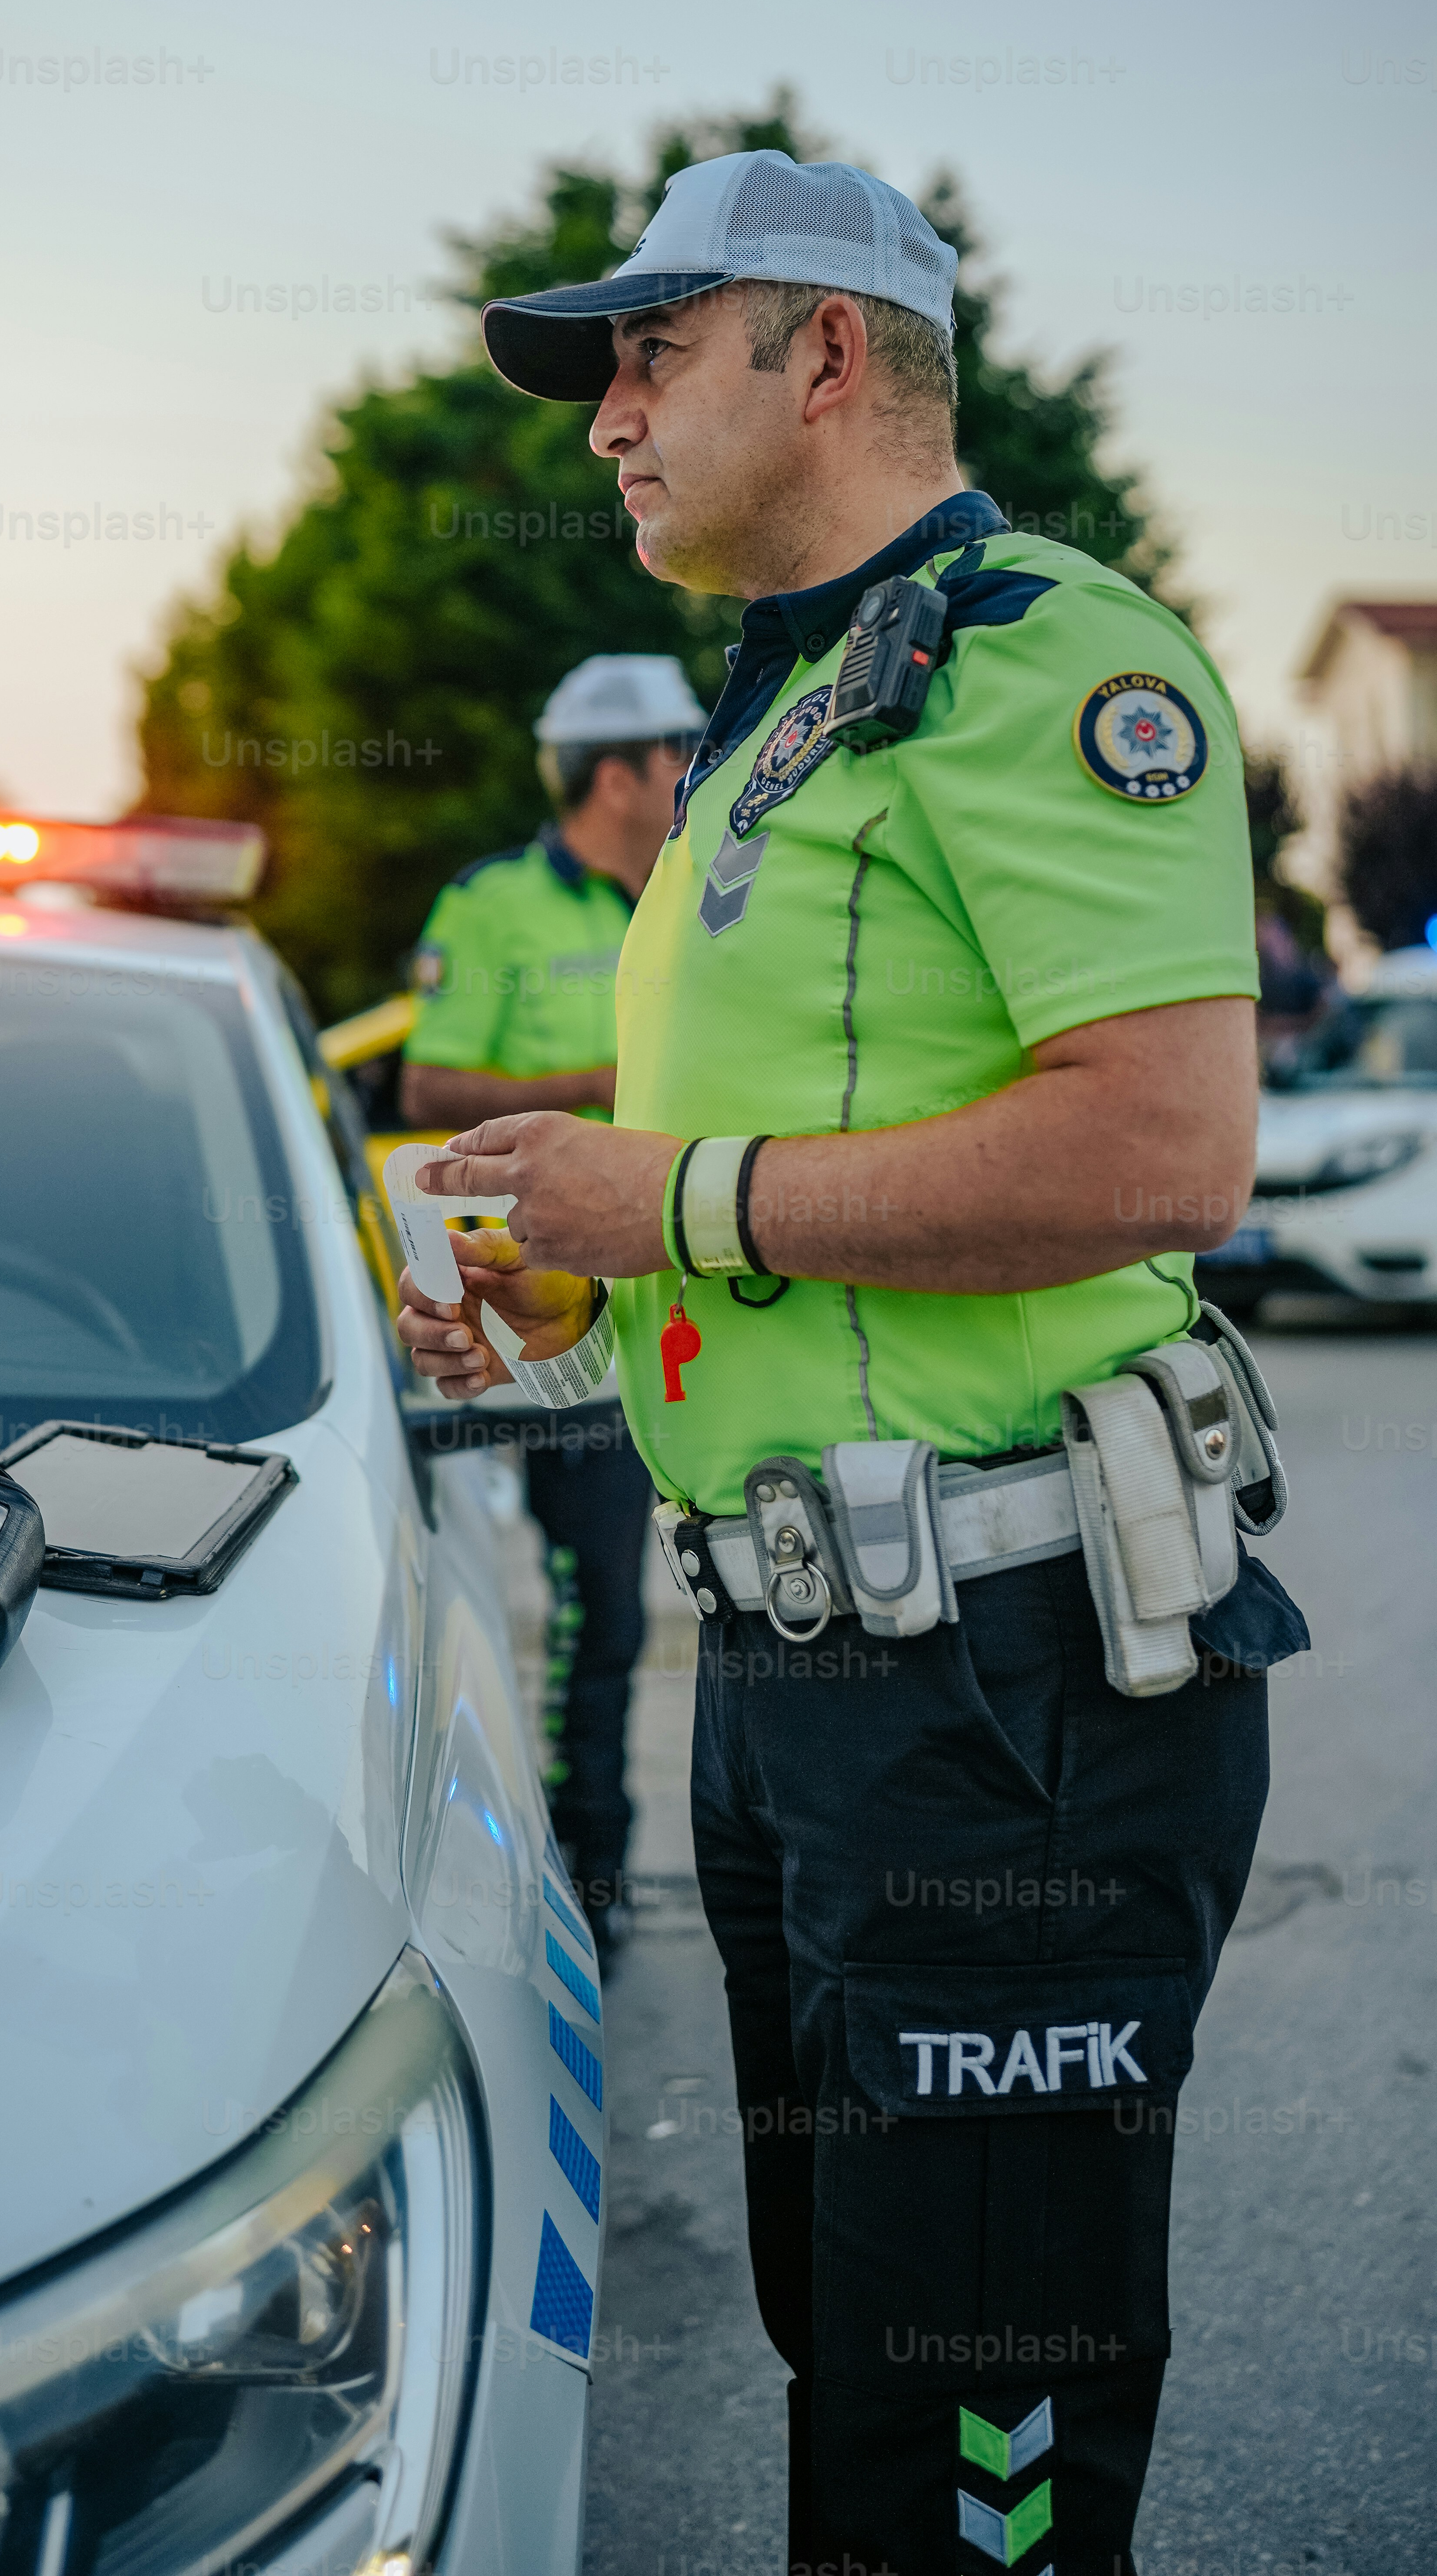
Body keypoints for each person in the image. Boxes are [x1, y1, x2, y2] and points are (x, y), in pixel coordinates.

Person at [396, 148, 1308, 2575]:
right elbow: (837, 1149)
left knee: (970, 2438)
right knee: (865, 2363)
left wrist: (670, 1200)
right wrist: (607, 1262)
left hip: (1005, 1694)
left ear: (822, 352)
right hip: (820, 1671)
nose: (604, 421)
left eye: (648, 354)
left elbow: (1164, 1146)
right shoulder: (794, 697)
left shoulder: (1039, 649)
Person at [401, 654, 706, 1957]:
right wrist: (610, 1086)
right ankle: (496, 1860)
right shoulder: (494, 904)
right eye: (680, 749)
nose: (699, 768)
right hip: (514, 1291)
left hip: (657, 1292)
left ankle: (596, 1875)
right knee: (518, 1596)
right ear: (621, 773)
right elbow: (426, 1090)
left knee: (609, 1609)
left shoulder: (708, 893)